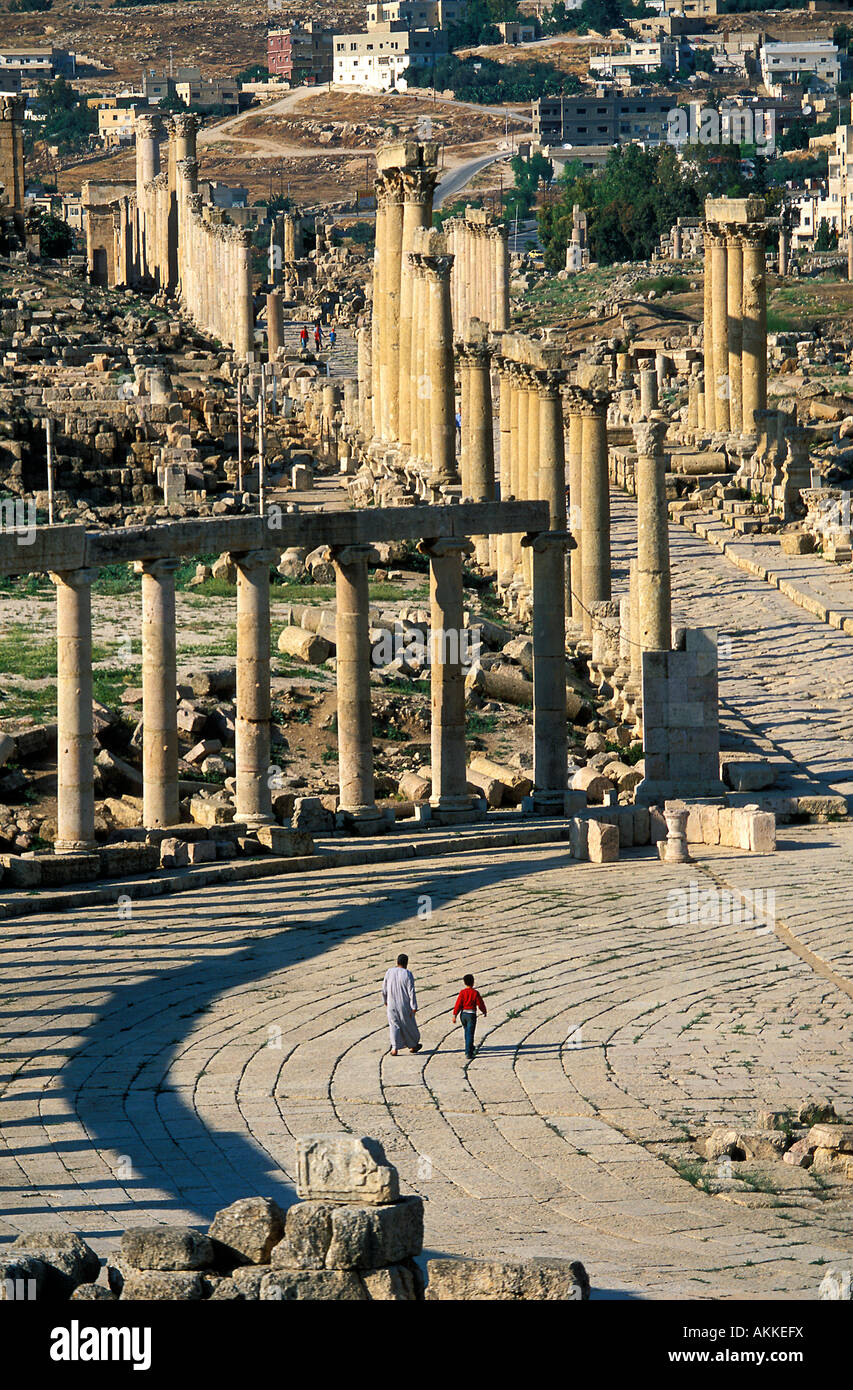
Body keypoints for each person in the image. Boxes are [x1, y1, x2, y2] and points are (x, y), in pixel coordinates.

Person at [382, 953, 421, 1056]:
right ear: (406, 963)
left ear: (397, 962)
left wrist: (385, 1000)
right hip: (404, 1005)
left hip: (391, 1004)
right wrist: (414, 1006)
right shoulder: (407, 973)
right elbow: (411, 991)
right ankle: (413, 1045)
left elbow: (384, 988)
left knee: (394, 1026)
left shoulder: (389, 972)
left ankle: (394, 1048)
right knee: (409, 1026)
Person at [452, 973, 487, 1060]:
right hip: (471, 1015)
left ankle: (470, 1047)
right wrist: (484, 1011)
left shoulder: (462, 992)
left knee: (467, 1031)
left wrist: (454, 1015)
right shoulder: (475, 993)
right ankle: (468, 1052)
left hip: (463, 1015)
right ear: (473, 982)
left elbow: (458, 1004)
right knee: (470, 1033)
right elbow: (480, 1003)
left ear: (464, 983)